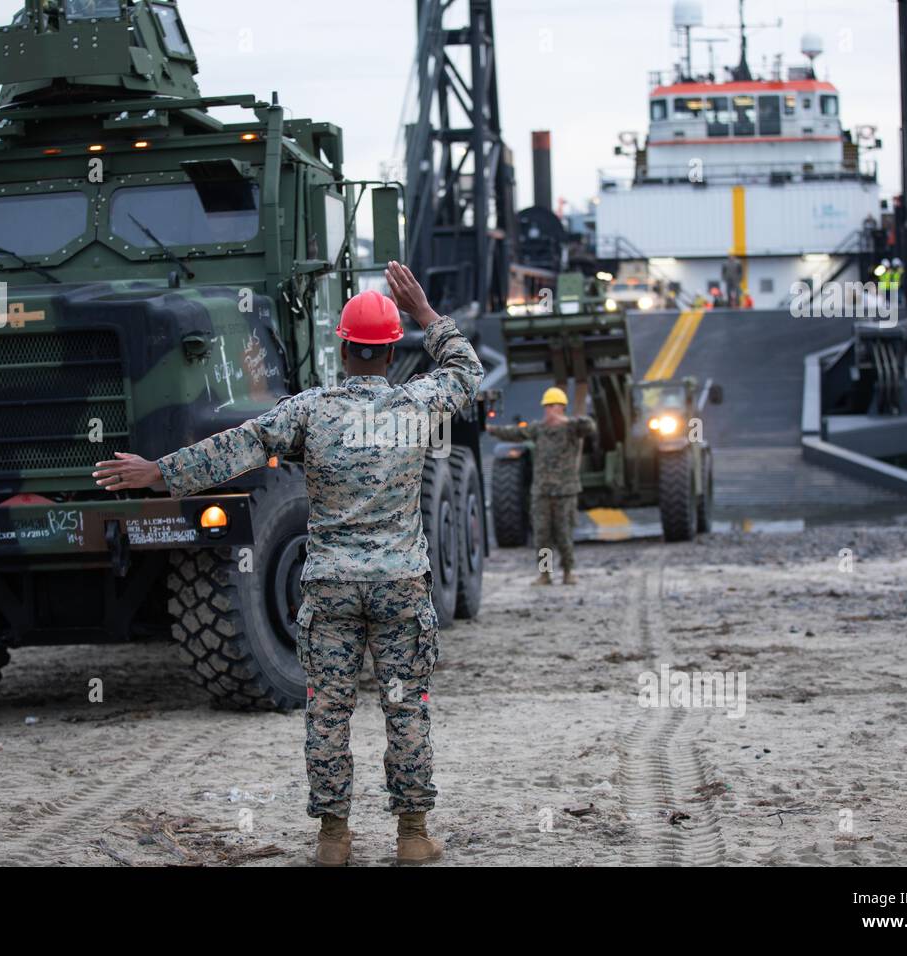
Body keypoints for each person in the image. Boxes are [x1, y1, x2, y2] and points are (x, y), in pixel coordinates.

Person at [92, 263, 483, 866]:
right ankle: (411, 834)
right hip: (399, 585)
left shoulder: (309, 411)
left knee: (328, 711)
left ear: (343, 347)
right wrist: (425, 313)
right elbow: (466, 372)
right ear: (387, 351)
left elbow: (233, 449)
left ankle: (332, 839)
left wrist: (157, 473)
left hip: (329, 588)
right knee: (405, 706)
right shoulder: (417, 405)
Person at [487, 387, 596, 585]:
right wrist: (492, 429)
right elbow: (516, 433)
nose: (548, 410)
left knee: (564, 535)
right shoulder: (539, 429)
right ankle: (545, 574)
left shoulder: (572, 428)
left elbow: (590, 427)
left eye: (552, 406)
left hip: (565, 491)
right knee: (542, 536)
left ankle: (568, 572)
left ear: (561, 407)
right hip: (542, 492)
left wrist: (567, 420)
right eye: (546, 407)